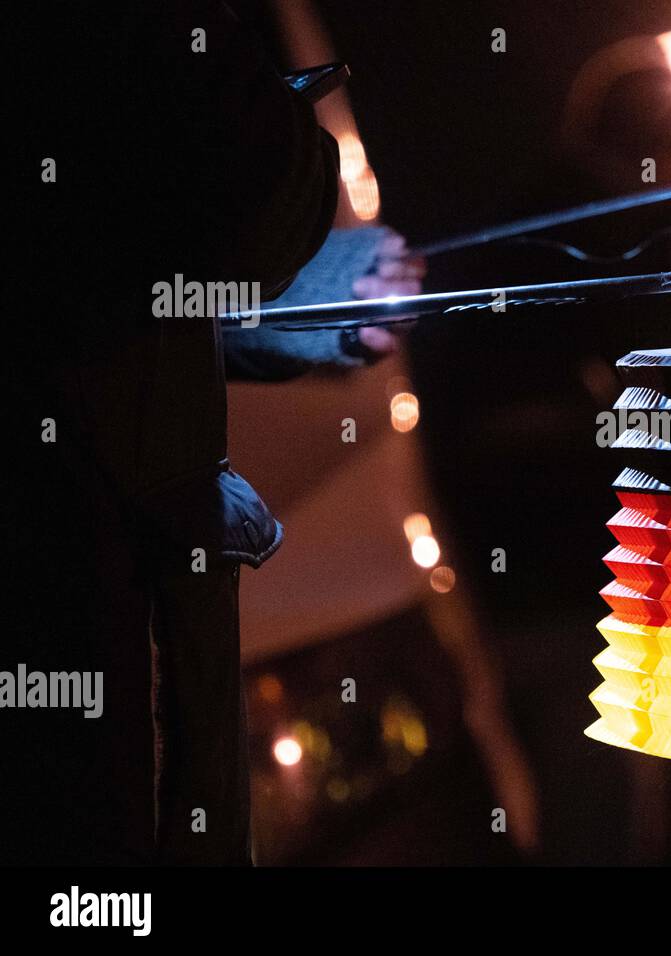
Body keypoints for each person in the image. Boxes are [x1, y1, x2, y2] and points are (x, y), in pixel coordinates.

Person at [3, 1, 419, 865]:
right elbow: (245, 184)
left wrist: (275, 313)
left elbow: (88, 270)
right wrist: (296, 224)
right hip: (86, 611)